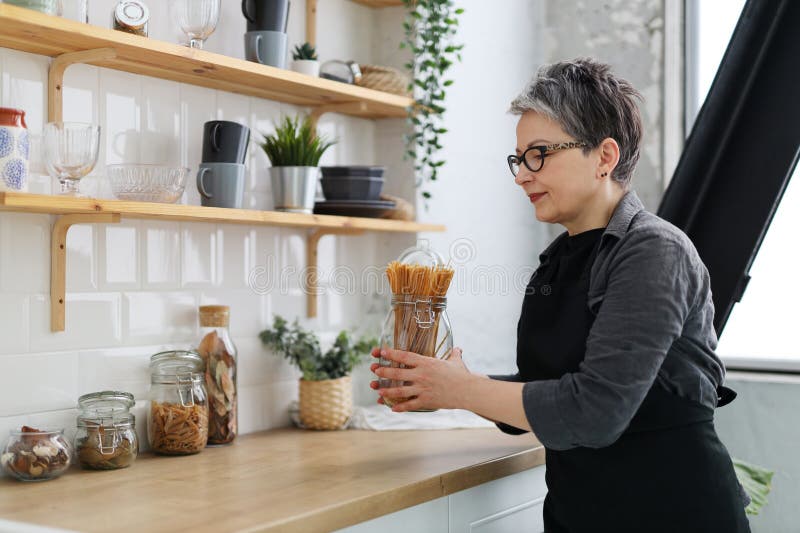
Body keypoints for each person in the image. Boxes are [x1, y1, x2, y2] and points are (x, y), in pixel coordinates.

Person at [370, 58, 750, 533]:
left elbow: (593, 413)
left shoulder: (655, 251)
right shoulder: (558, 260)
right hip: (581, 515)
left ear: (605, 157)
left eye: (540, 154)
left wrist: (463, 389)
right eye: (519, 158)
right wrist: (449, 386)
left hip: (672, 512)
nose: (522, 175)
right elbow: (544, 391)